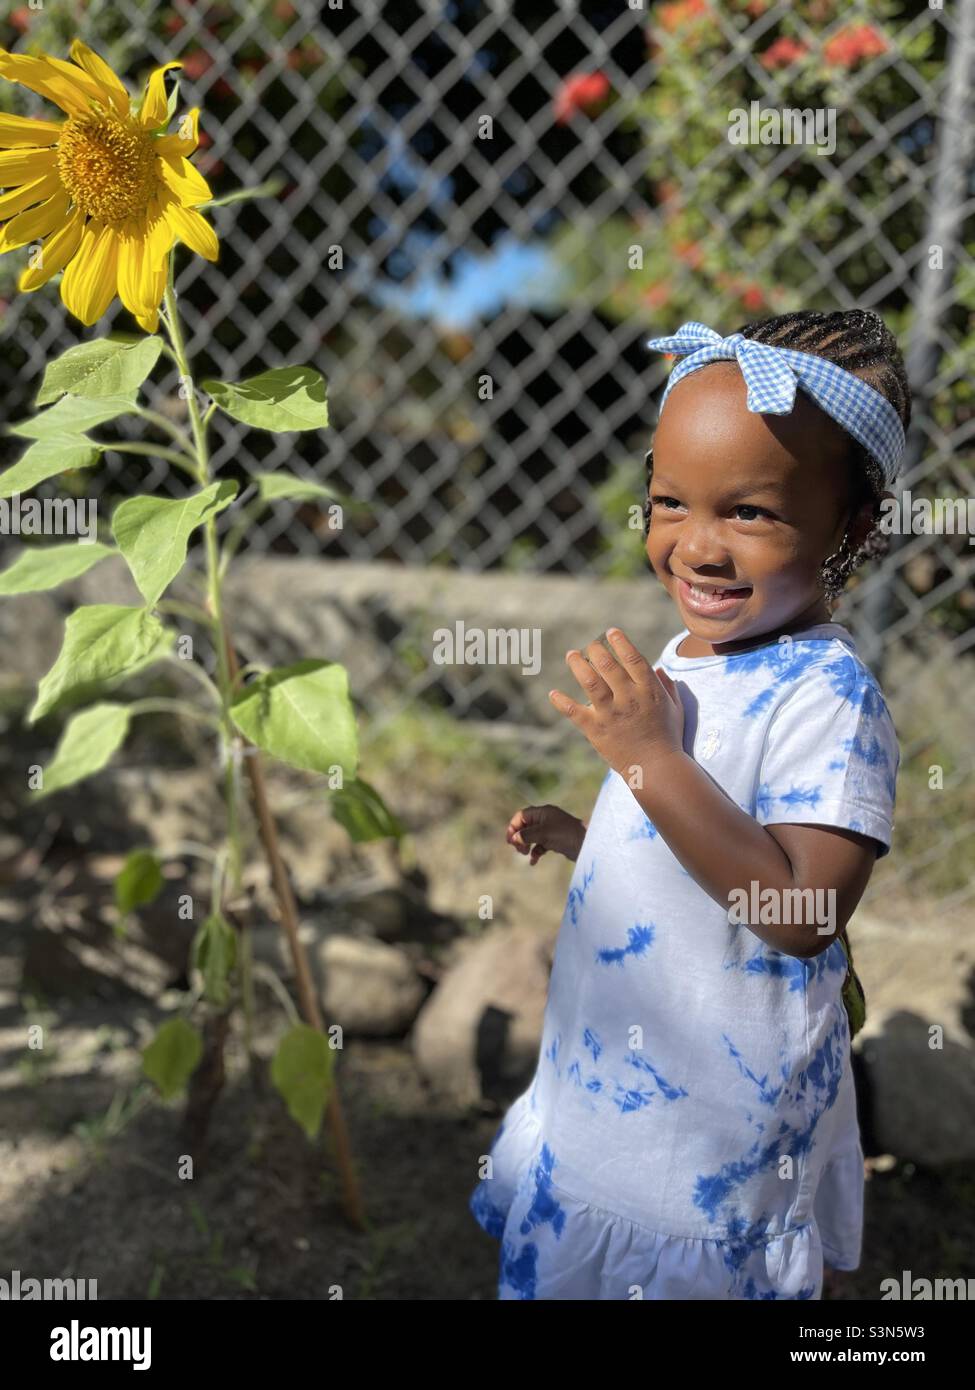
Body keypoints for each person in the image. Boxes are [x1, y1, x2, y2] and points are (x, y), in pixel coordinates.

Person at [468, 310, 911, 1300]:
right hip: (607, 1097)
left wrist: (650, 762)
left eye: (749, 512)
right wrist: (593, 839)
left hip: (714, 1138)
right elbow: (688, 863)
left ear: (854, 526)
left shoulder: (826, 699)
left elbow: (799, 912)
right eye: (671, 501)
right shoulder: (691, 654)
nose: (698, 547)